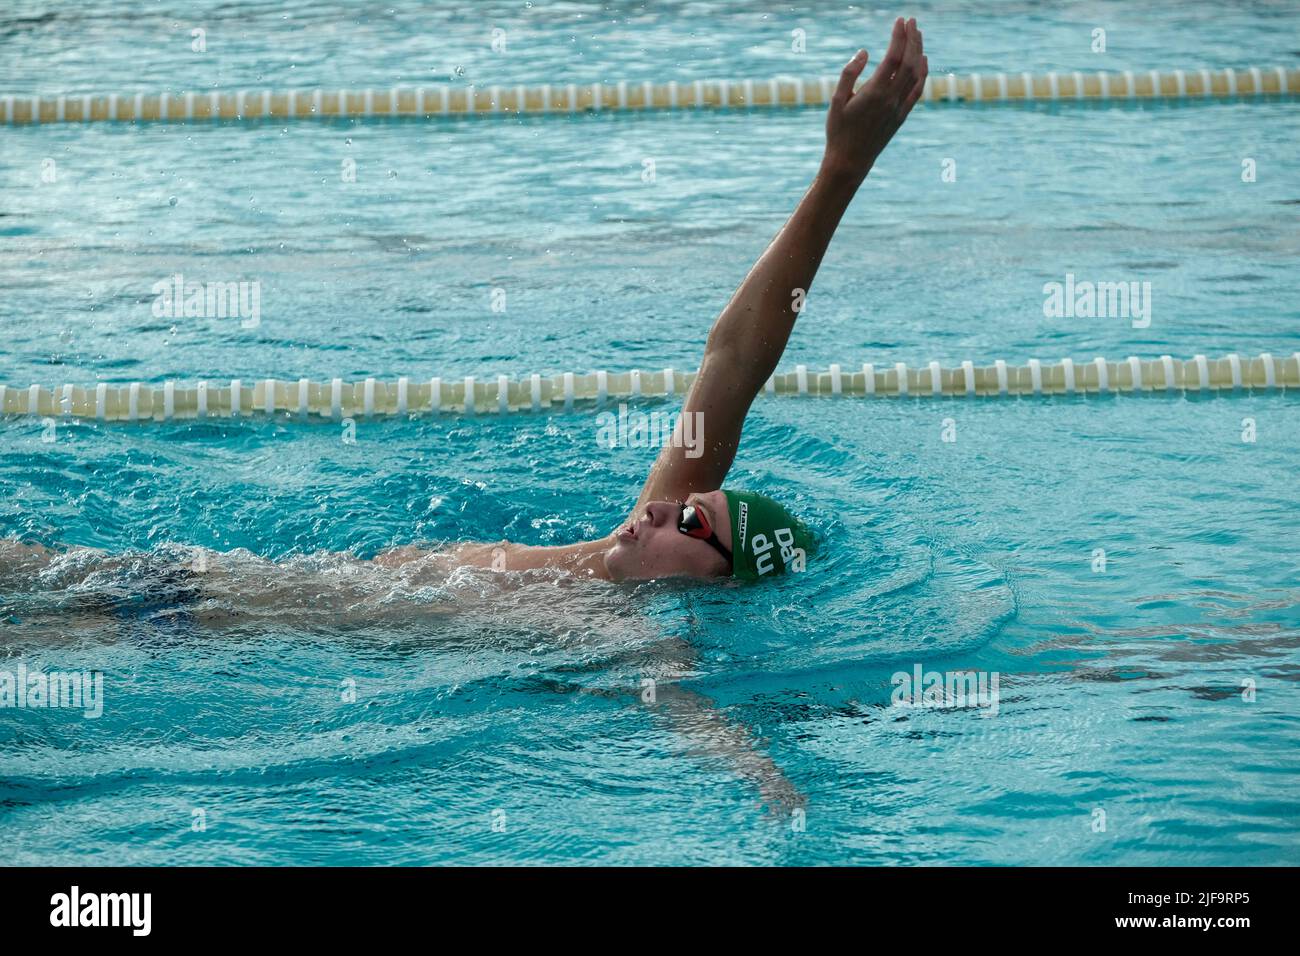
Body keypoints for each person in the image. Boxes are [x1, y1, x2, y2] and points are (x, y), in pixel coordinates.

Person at [378, 17, 928, 583]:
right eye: (687, 506)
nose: (660, 508)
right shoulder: (622, 558)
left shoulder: (638, 642)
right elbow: (733, 360)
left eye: (690, 520)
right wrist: (842, 169)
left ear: (722, 579)